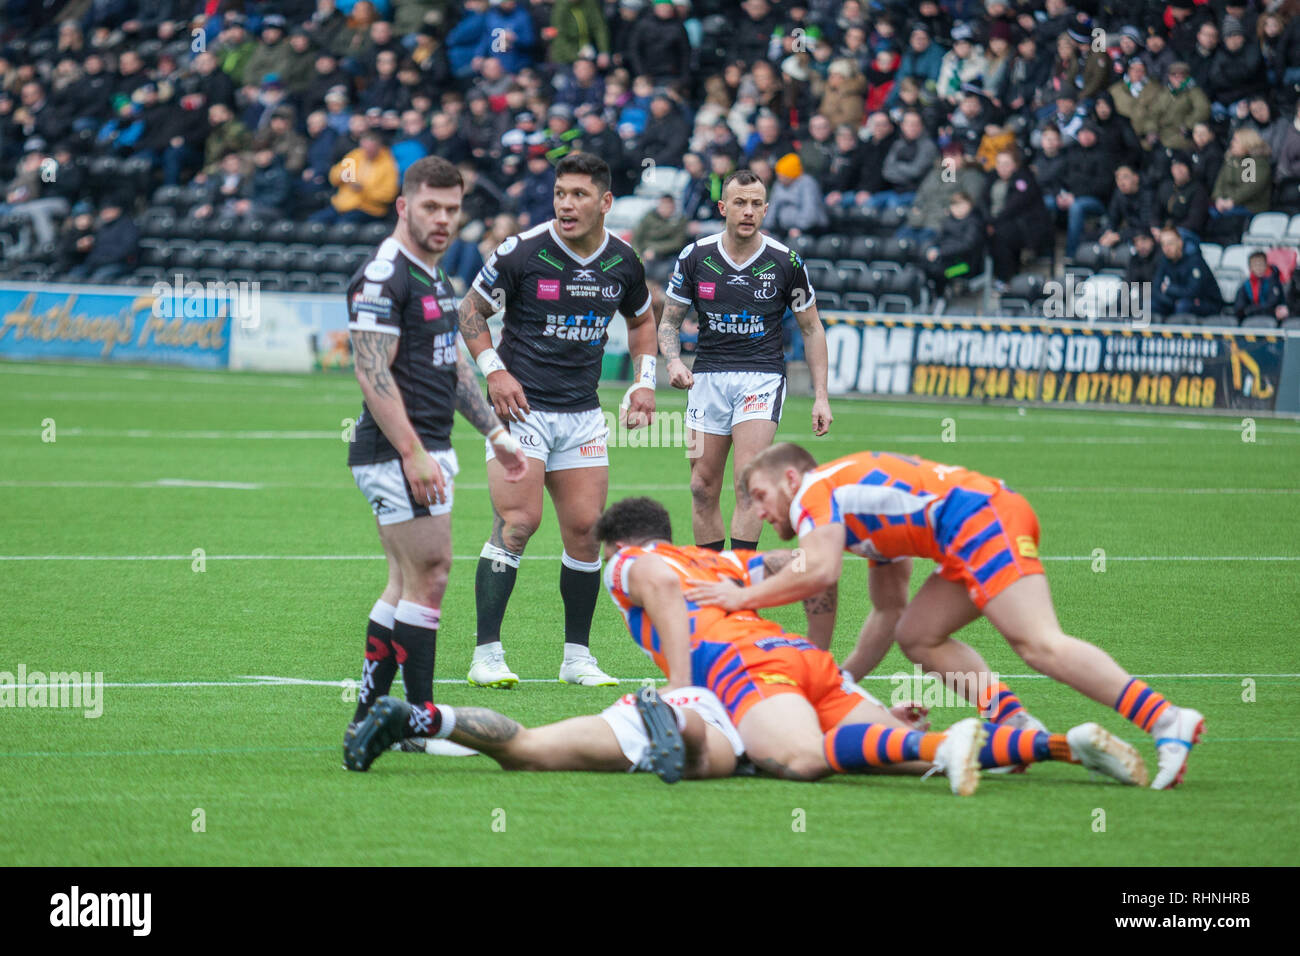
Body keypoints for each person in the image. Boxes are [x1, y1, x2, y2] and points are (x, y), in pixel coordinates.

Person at [684, 444, 1205, 791]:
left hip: (982, 519)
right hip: (974, 523)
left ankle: (1165, 719)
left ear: (791, 477)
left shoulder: (816, 494)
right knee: (919, 634)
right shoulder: (856, 513)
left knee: (1040, 644)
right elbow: (888, 612)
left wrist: (738, 599)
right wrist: (838, 681)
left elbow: (818, 571)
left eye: (759, 496)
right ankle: (1014, 722)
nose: (759, 512)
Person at [596, 497, 1148, 789]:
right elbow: (814, 567)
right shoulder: (722, 561)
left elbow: (663, 585)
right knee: (897, 758)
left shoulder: (628, 564)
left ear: (620, 544)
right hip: (807, 664)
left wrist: (680, 690)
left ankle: (943, 745)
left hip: (753, 671)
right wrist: (822, 653)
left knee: (797, 760)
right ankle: (1061, 745)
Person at [342, 156, 528, 750]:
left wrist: (496, 434)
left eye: (452, 208)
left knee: (403, 581)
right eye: (430, 207)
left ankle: (373, 717)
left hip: (423, 447)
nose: (444, 219)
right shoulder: (384, 274)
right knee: (432, 575)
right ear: (404, 207)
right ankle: (418, 723)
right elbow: (372, 374)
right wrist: (412, 452)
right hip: (400, 451)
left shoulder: (432, 274)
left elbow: (452, 371)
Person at [455, 151, 658, 689]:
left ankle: (577, 659)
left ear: (605, 202)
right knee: (519, 524)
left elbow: (642, 322)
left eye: (579, 195)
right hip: (521, 411)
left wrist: (644, 382)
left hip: (583, 415)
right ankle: (487, 655)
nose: (566, 204)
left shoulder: (623, 261)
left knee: (587, 534)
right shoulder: (521, 252)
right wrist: (494, 372)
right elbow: (470, 312)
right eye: (561, 193)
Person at [658, 168, 832, 554]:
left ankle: (738, 582)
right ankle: (711, 574)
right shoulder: (696, 256)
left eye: (756, 204)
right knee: (702, 487)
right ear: (723, 207)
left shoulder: (785, 261)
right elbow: (668, 322)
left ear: (766, 209)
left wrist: (821, 396)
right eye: (740, 203)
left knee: (747, 483)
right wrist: (672, 361)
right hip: (707, 377)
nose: (748, 211)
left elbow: (812, 329)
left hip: (761, 377)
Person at [346, 684, 744, 781]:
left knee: (526, 746)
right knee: (710, 760)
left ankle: (424, 720)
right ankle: (675, 723)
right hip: (715, 717)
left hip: (638, 709)